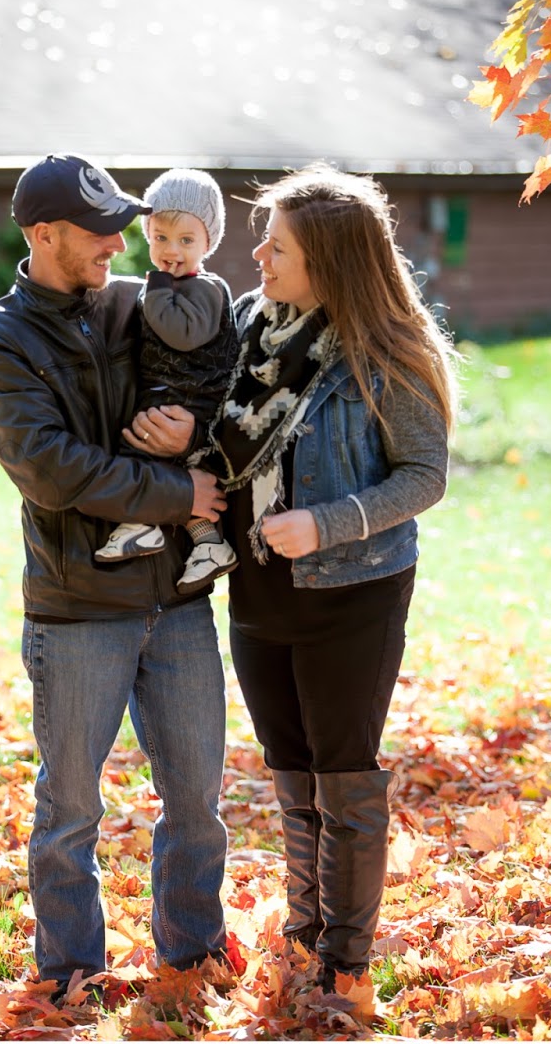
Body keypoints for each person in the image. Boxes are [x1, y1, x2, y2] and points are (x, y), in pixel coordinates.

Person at [0, 153, 231, 996]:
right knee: (71, 811)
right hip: (79, 606)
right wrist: (180, 490)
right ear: (43, 234)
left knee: (197, 806)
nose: (120, 244)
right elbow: (53, 470)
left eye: (126, 226)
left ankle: (192, 958)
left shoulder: (134, 302)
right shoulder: (2, 341)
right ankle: (71, 971)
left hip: (180, 598)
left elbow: (215, 355)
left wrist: (198, 428)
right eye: (99, 230)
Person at [199, 164, 455, 992]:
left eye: (279, 245)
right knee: (289, 769)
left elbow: (424, 476)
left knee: (342, 773)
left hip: (356, 591)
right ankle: (306, 934)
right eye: (264, 240)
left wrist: (327, 521)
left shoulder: (388, 351)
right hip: (260, 588)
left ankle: (344, 960)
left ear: (331, 261)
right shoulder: (250, 327)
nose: (260, 257)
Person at [93, 168, 241, 590]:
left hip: (192, 399)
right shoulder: (173, 286)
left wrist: (156, 288)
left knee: (140, 448)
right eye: (160, 238)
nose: (171, 250)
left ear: (208, 241)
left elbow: (181, 332)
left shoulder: (205, 290)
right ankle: (209, 544)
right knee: (158, 456)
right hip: (173, 394)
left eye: (186, 240)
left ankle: (141, 520)